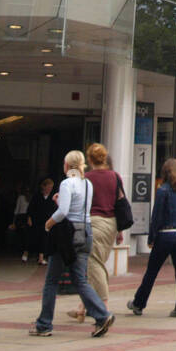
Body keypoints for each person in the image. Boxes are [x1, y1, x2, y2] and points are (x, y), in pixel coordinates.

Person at [29, 150, 114, 338]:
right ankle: (102, 315)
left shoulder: (67, 183)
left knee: (51, 280)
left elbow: (63, 213)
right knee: (80, 279)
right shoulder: (87, 184)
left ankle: (44, 324)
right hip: (85, 231)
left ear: (67, 166)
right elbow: (82, 207)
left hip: (67, 234)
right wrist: (61, 202)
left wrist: (48, 223)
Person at [128, 158, 176, 318]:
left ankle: (139, 303)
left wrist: (151, 238)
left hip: (166, 234)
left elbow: (156, 217)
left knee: (152, 271)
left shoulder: (163, 190)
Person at [68, 144, 123, 324]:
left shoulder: (87, 178)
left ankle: (104, 308)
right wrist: (120, 231)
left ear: (89, 160)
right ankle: (82, 309)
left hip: (95, 222)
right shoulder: (115, 177)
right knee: (95, 264)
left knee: (94, 263)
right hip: (112, 223)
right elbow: (121, 204)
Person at [27, 177, 55, 265]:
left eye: (51, 187)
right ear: (44, 186)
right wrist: (29, 218)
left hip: (48, 221)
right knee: (37, 237)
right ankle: (35, 255)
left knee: (46, 238)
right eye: (49, 187)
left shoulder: (53, 196)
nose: (50, 189)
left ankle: (42, 257)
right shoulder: (37, 196)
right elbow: (31, 208)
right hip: (37, 220)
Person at [11, 183, 30, 260]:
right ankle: (25, 249)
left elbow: (17, 209)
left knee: (21, 234)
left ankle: (21, 249)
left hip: (21, 216)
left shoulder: (21, 197)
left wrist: (14, 220)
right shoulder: (30, 197)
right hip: (27, 216)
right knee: (26, 233)